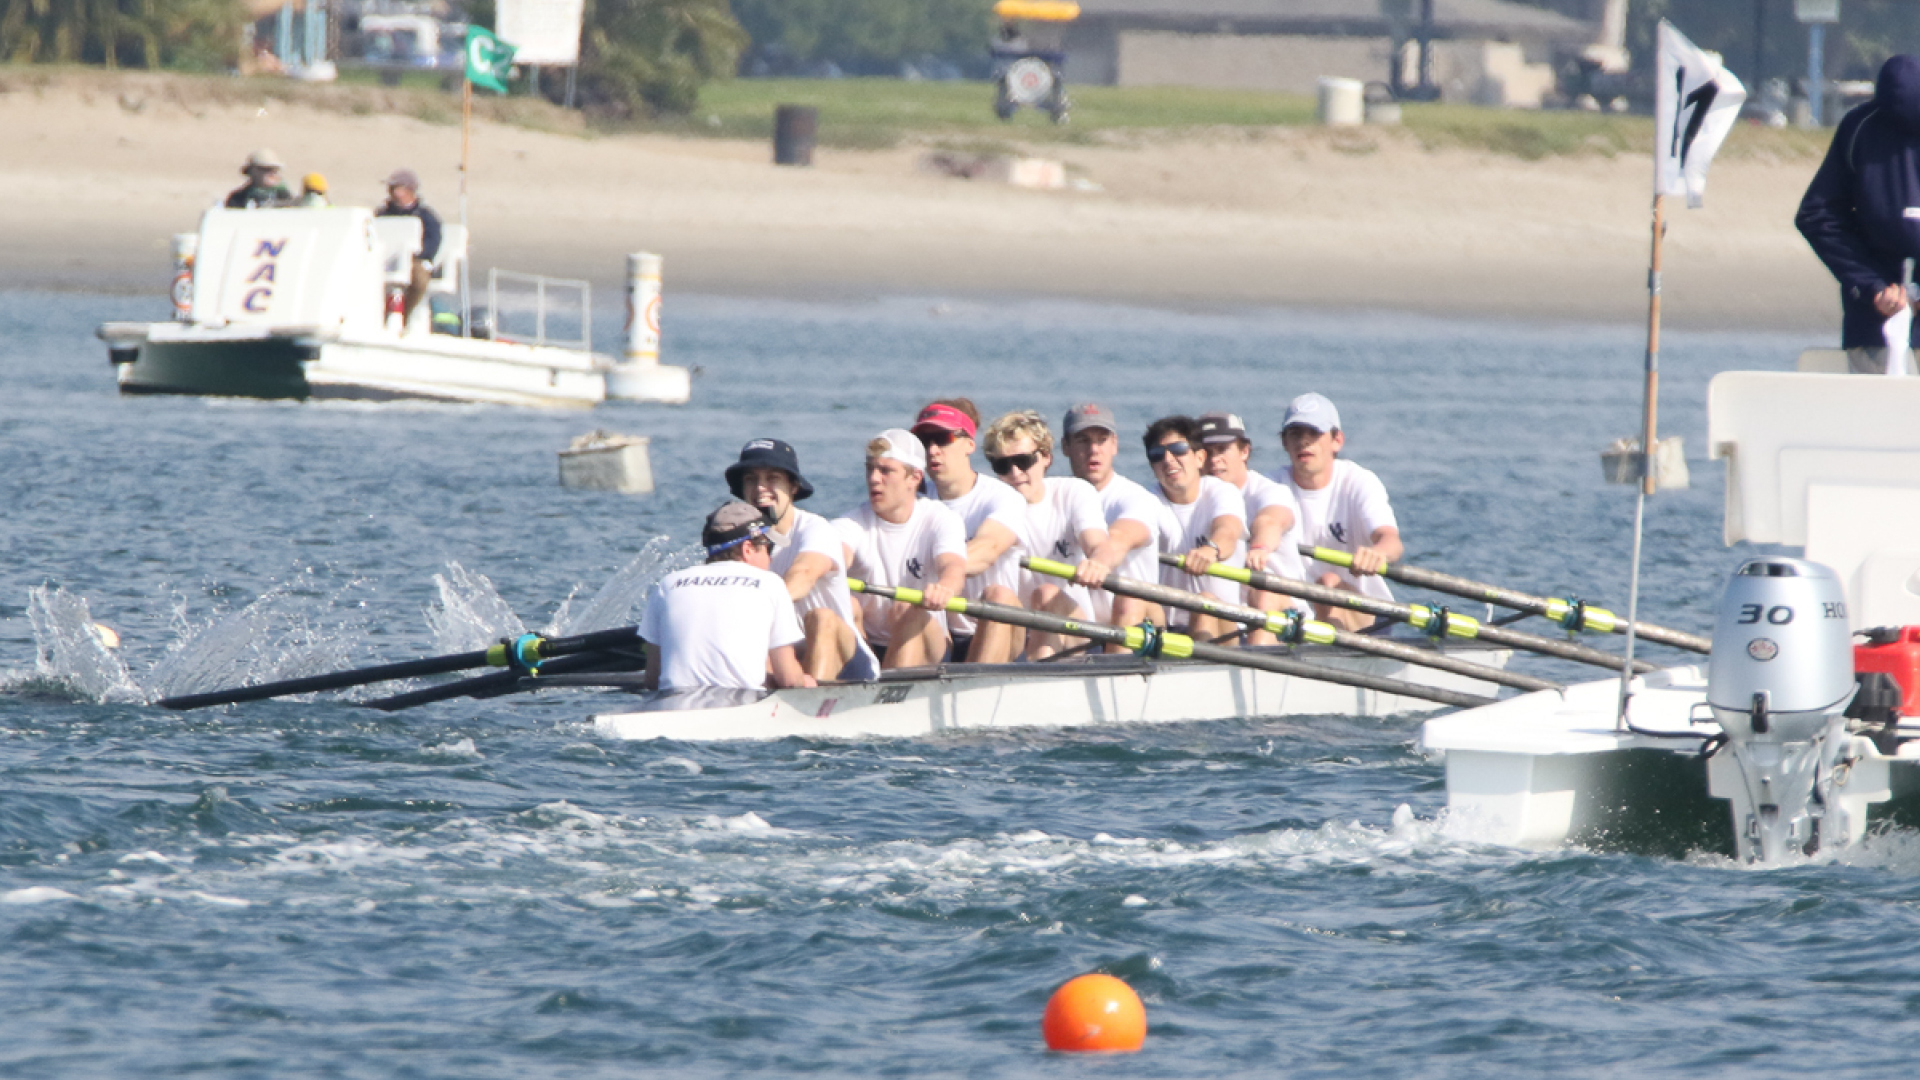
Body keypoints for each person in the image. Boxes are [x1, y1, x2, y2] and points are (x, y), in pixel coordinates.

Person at [1795, 55, 1920, 374]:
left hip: (1876, 310)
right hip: (1874, 319)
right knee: (1879, 418)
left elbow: (1816, 214)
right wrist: (1872, 287)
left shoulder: (1860, 123)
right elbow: (1817, 214)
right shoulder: (1860, 127)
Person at [725, 437, 879, 683]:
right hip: (786, 658)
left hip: (847, 662)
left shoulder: (816, 529)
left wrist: (749, 610)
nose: (760, 488)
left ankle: (810, 708)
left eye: (772, 478)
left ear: (793, 487)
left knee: (821, 618)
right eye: (751, 479)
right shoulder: (735, 541)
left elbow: (804, 574)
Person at [981, 410, 1129, 658]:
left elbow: (1098, 543)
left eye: (1024, 461)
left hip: (1075, 632)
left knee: (1046, 593)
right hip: (1017, 631)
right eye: (1003, 465)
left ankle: (1039, 679)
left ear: (1046, 458)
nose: (1015, 473)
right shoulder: (989, 504)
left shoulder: (1073, 492)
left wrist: (1098, 563)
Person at [638, 501, 816, 692]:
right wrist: (804, 682)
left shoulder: (668, 584)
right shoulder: (770, 584)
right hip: (740, 705)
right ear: (748, 549)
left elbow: (652, 679)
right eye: (768, 548)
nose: (770, 558)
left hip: (673, 703)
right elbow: (789, 680)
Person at [833, 429, 968, 670]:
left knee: (906, 609)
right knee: (841, 610)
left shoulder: (940, 519)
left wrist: (945, 588)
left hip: (929, 643)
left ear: (914, 478)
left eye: (886, 471)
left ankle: (886, 699)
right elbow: (835, 556)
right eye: (870, 469)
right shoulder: (851, 523)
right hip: (869, 643)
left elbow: (953, 566)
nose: (874, 478)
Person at [912, 399, 1026, 663]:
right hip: (942, 633)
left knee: (998, 595)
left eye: (942, 438)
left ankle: (974, 692)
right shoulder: (914, 500)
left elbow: (987, 549)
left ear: (969, 444)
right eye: (924, 442)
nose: (932, 450)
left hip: (994, 628)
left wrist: (944, 576)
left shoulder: (1003, 498)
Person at [1276, 393, 1402, 632]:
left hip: (1366, 620)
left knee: (1328, 583)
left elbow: (1391, 541)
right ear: (1284, 443)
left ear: (1337, 441)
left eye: (1314, 433)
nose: (1304, 442)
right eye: (1295, 434)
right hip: (1297, 617)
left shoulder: (1358, 482)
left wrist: (1378, 554)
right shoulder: (1271, 486)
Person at [1197, 411, 1311, 644]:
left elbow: (1269, 521)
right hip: (1231, 617)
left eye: (1222, 450)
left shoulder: (1270, 492)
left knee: (1262, 594)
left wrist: (1260, 547)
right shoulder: (1195, 500)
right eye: (1206, 452)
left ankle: (1261, 669)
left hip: (1284, 617)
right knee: (1204, 601)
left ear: (1244, 451)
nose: (1213, 460)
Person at [1060, 403, 1168, 642]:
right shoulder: (1058, 496)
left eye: (1101, 440)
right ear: (1065, 447)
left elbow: (1121, 538)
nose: (1093, 450)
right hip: (1083, 629)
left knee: (1128, 601)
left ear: (1114, 445)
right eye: (1083, 441)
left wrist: (1099, 562)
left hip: (1140, 624)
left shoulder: (1136, 498)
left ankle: (1120, 673)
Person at [1144, 415, 1247, 642]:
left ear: (1200, 458)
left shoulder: (1221, 492)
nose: (1169, 460)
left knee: (1204, 603)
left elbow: (1228, 530)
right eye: (1158, 455)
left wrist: (1211, 549)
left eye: (1178, 450)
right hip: (1168, 629)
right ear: (1153, 467)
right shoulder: (1146, 500)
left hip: (1226, 626)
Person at [376, 168, 442, 324]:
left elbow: (433, 241)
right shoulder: (382, 215)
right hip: (385, 259)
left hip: (415, 261)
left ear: (409, 190)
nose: (392, 192)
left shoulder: (425, 216)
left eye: (396, 188)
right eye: (391, 188)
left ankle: (405, 314)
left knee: (419, 280)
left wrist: (416, 255)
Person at [225, 149, 291, 209]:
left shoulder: (284, 195)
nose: (272, 173)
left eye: (275, 170)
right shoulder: (238, 198)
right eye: (265, 169)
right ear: (252, 171)